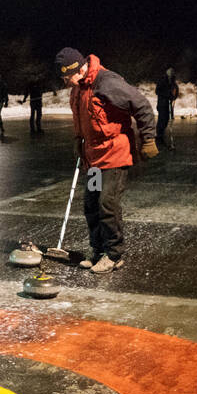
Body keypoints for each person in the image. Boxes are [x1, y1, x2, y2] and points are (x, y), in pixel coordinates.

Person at [56, 47, 158, 274]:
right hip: (93, 157)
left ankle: (114, 255)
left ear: (79, 68)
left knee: (107, 204)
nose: (66, 81)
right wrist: (78, 138)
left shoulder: (107, 82)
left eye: (67, 76)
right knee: (91, 205)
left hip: (114, 154)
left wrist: (148, 138)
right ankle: (98, 250)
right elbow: (80, 118)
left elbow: (141, 105)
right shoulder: (77, 89)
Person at [156, 67, 178, 149]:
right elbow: (157, 91)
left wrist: (174, 96)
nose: (171, 75)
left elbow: (176, 90)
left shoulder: (173, 82)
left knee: (166, 120)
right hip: (162, 104)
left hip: (169, 104)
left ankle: (161, 134)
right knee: (161, 120)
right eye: (170, 73)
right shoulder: (162, 81)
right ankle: (159, 136)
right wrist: (166, 95)